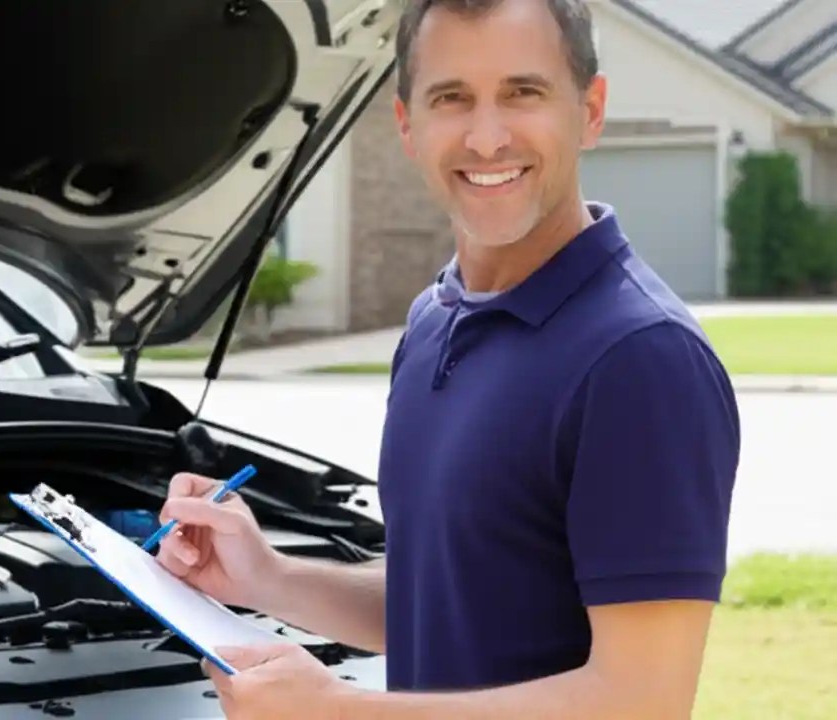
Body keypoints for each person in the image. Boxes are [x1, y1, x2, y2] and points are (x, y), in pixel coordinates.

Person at [154, 0, 741, 717]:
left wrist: (338, 711)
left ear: (590, 110)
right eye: (452, 98)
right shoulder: (437, 320)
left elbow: (642, 700)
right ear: (408, 125)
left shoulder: (641, 359)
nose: (487, 137)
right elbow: (447, 595)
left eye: (523, 94)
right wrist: (269, 577)